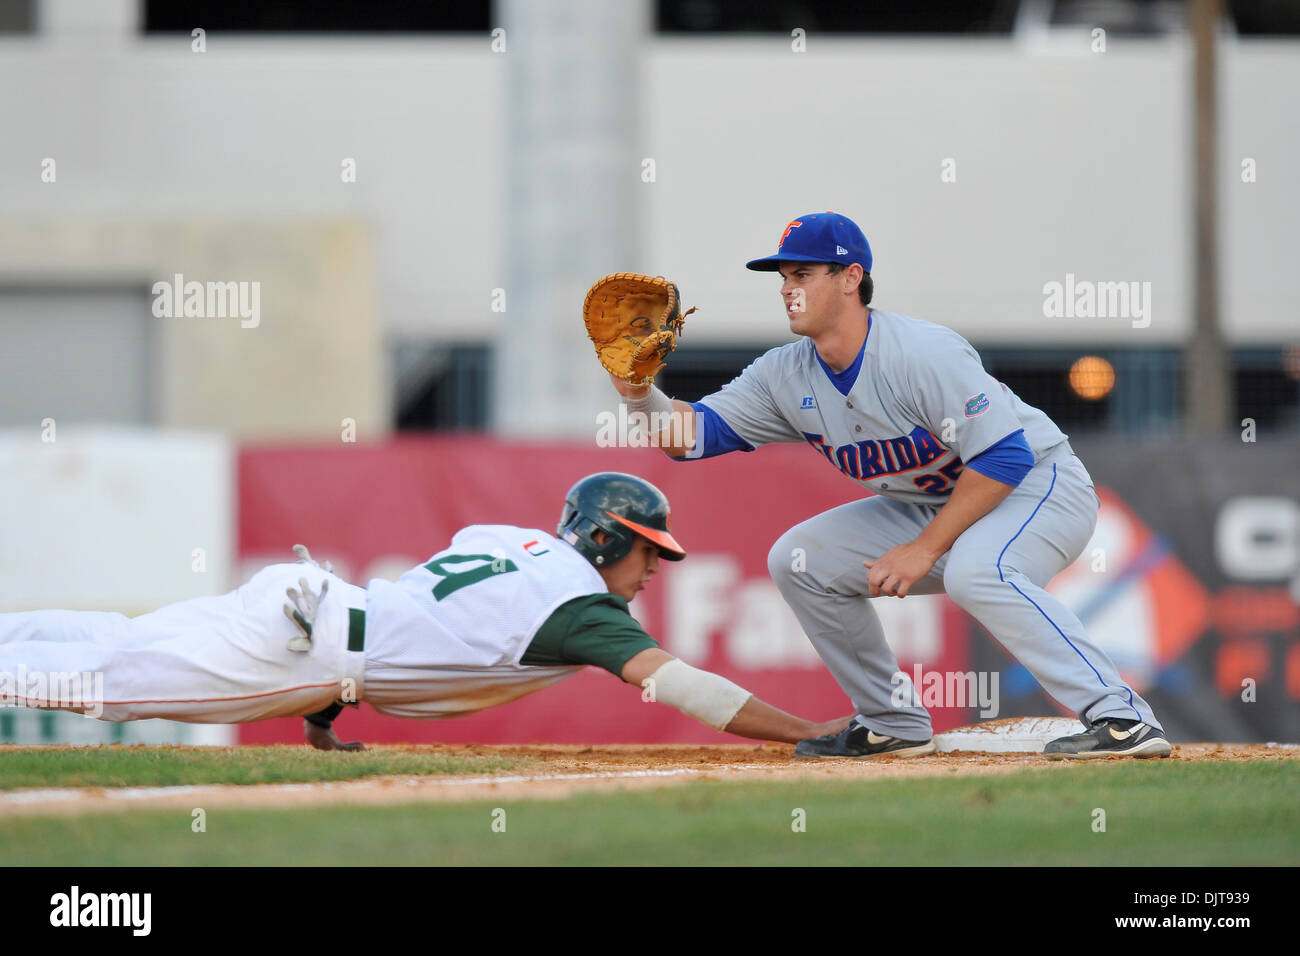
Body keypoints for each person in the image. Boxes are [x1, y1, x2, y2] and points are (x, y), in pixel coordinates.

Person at [606, 211, 1171, 760]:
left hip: (1037, 484)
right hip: (937, 502)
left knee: (980, 572)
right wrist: (637, 390)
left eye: (803, 274)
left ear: (851, 278)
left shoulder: (920, 353)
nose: (787, 290)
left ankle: (1120, 717)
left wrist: (924, 549)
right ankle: (891, 722)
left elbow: (1003, 455)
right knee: (799, 560)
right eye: (783, 278)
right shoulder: (785, 373)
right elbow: (689, 437)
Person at [0, 472, 848, 751]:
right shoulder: (581, 606)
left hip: (309, 617)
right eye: (644, 550)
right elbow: (684, 687)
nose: (651, 568)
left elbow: (408, 628)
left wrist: (322, 718)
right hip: (301, 646)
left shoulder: (508, 539)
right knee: (95, 684)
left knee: (110, 642)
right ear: (600, 540)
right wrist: (811, 734)